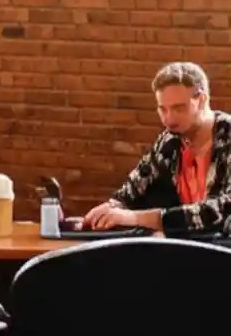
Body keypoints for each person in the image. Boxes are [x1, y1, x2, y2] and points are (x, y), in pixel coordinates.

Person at [83, 62, 231, 234]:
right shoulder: (169, 140)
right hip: (191, 250)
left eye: (178, 108)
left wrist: (134, 218)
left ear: (201, 100)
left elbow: (222, 210)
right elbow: (135, 186)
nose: (169, 119)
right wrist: (110, 209)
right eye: (163, 109)